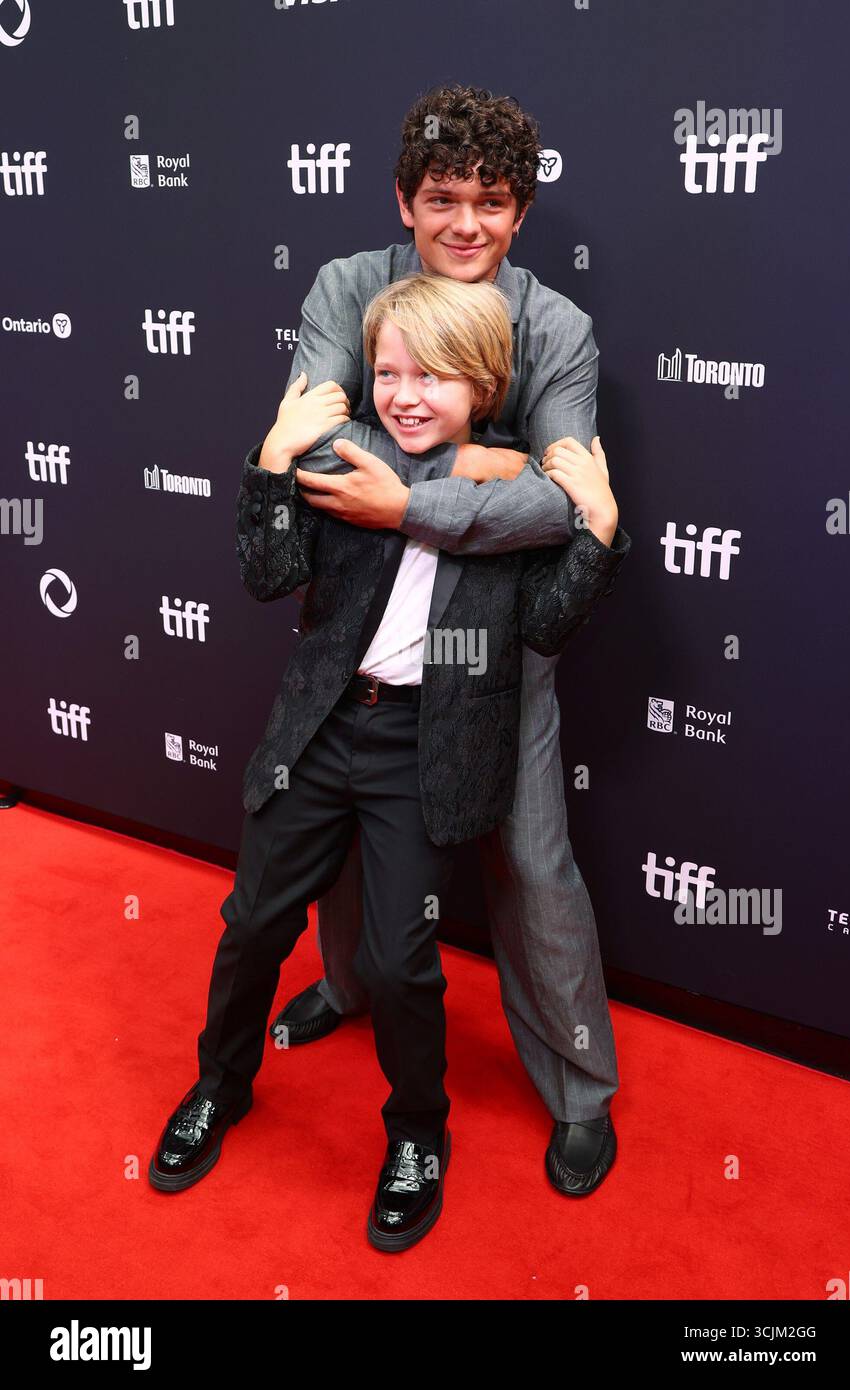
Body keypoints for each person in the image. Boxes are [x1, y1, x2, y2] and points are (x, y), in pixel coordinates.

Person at [148, 270, 630, 1253]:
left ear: (485, 389)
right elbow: (267, 573)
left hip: (422, 748)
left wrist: (597, 532)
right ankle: (217, 1085)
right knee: (250, 925)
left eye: (437, 377)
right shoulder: (344, 465)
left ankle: (417, 1136)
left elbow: (541, 624)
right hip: (320, 732)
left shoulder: (508, 497)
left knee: (402, 961)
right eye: (387, 372)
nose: (406, 392)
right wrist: (271, 460)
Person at [270, 82, 626, 1196]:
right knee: (332, 833)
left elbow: (569, 508)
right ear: (402, 201)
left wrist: (415, 495)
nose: (463, 223)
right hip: (359, 629)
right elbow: (314, 459)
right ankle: (352, 983)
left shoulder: (556, 326)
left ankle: (578, 1089)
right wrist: (491, 461)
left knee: (527, 858)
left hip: (497, 640)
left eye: (489, 200)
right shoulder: (345, 288)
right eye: (441, 198)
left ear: (519, 211)